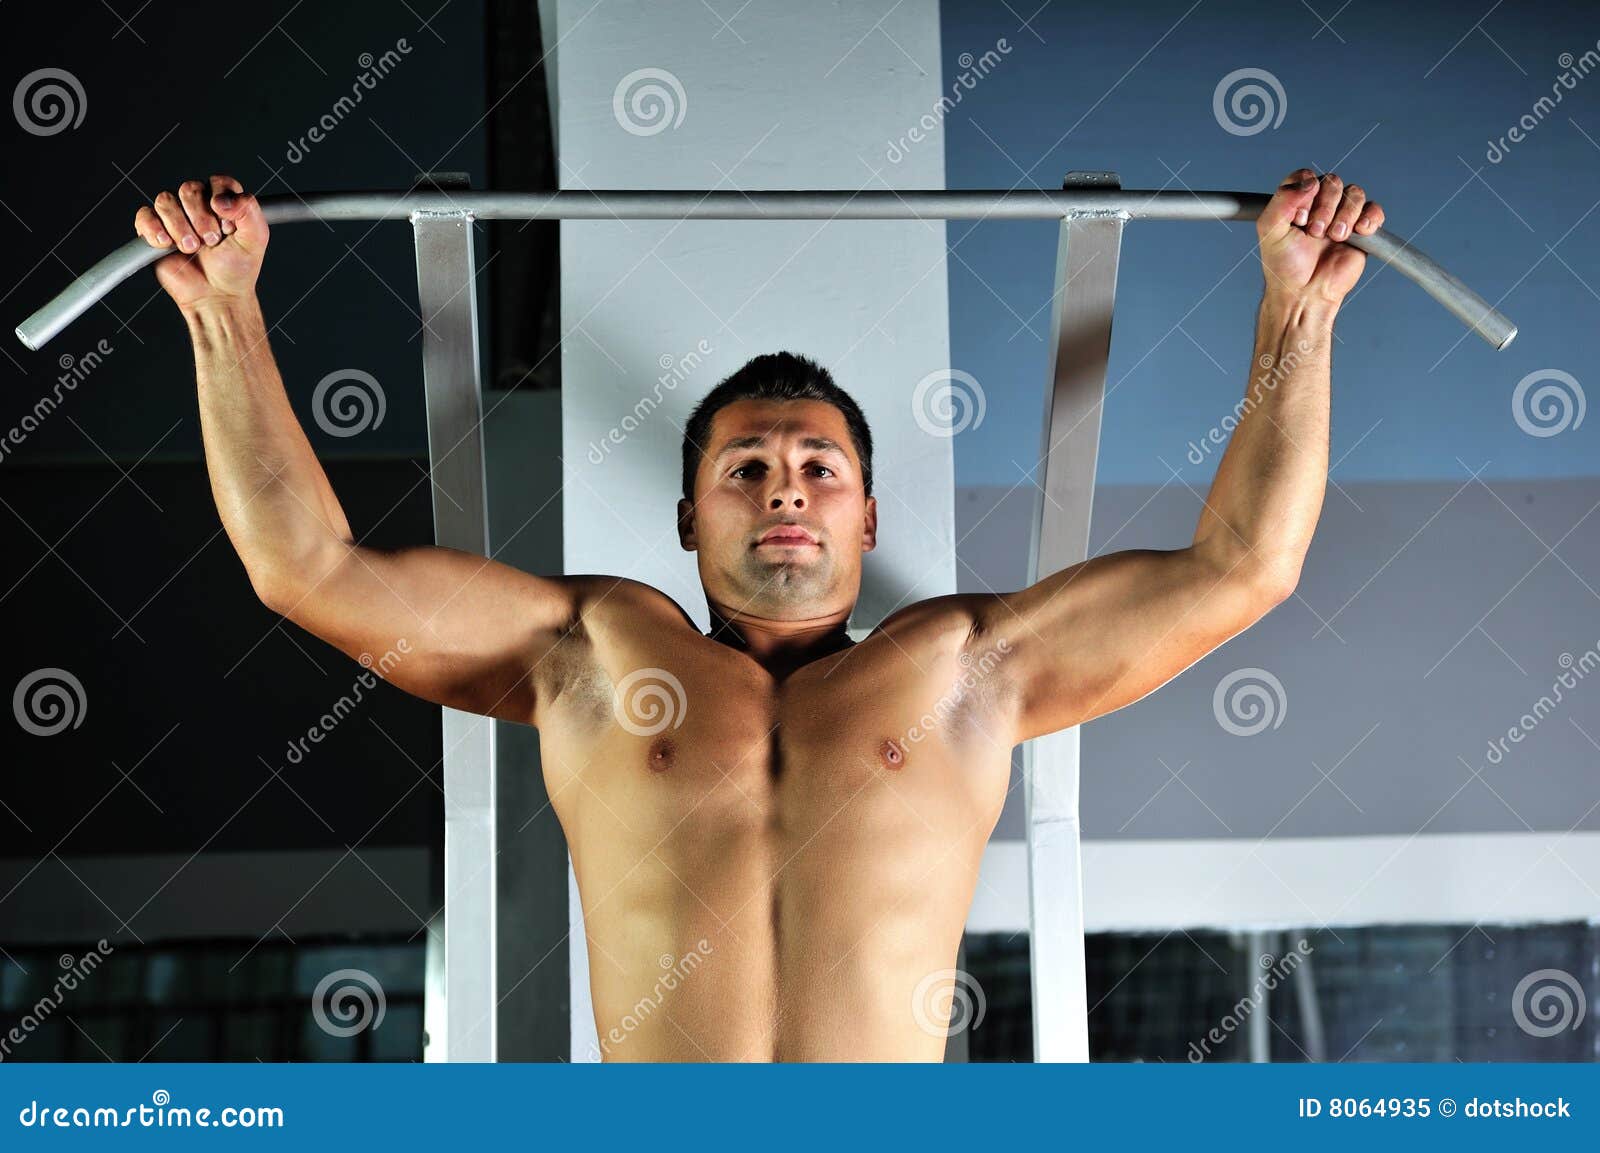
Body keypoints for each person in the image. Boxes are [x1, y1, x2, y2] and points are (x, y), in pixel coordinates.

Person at [136, 167, 1383, 1061]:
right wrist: (221, 310)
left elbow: (1244, 565)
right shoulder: (590, 652)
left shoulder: (965, 665)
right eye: (746, 467)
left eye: (817, 466)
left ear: (867, 519)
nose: (785, 486)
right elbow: (307, 568)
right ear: (689, 518)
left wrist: (1300, 308)